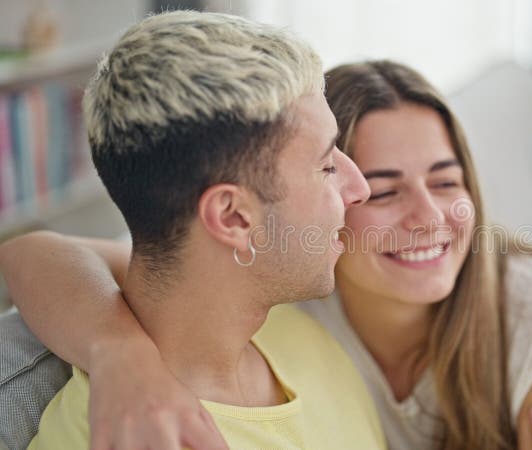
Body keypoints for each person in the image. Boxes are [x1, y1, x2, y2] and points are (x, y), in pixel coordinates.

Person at [6, 58, 532, 450]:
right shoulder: (293, 284)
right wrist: (118, 355)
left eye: (446, 180)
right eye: (382, 188)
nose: (429, 218)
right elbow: (37, 254)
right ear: (332, 193)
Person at [0, 10, 390, 450]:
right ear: (232, 217)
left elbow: (31, 251)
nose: (359, 187)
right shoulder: (118, 436)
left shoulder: (297, 333)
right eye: (326, 165)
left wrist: (116, 349)